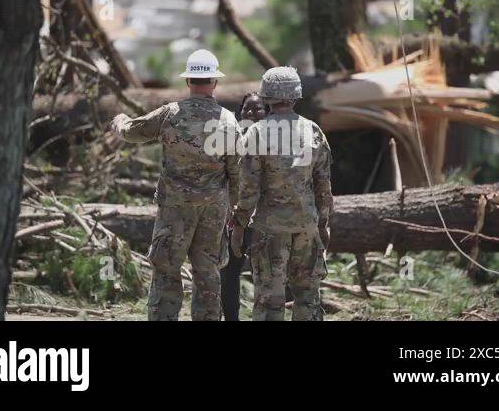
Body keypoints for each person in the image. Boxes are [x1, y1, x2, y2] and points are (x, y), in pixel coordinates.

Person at [112, 49, 241, 321]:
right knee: (207, 272)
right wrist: (235, 210)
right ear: (215, 82)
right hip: (213, 211)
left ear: (188, 81)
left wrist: (120, 123)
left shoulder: (171, 113)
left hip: (174, 209)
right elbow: (237, 172)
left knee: (166, 268)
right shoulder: (229, 120)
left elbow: (133, 133)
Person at [231, 67, 333, 321]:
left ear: (266, 98)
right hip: (306, 226)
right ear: (296, 96)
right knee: (308, 296)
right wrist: (324, 222)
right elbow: (323, 184)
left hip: (270, 228)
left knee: (269, 300)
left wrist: (240, 224)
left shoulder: (256, 132)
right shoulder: (313, 130)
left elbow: (249, 188)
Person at [220, 92, 268, 321]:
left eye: (257, 108)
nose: (250, 113)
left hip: (266, 219)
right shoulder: (232, 140)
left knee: (269, 274)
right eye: (247, 108)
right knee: (229, 273)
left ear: (267, 111)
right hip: (235, 217)